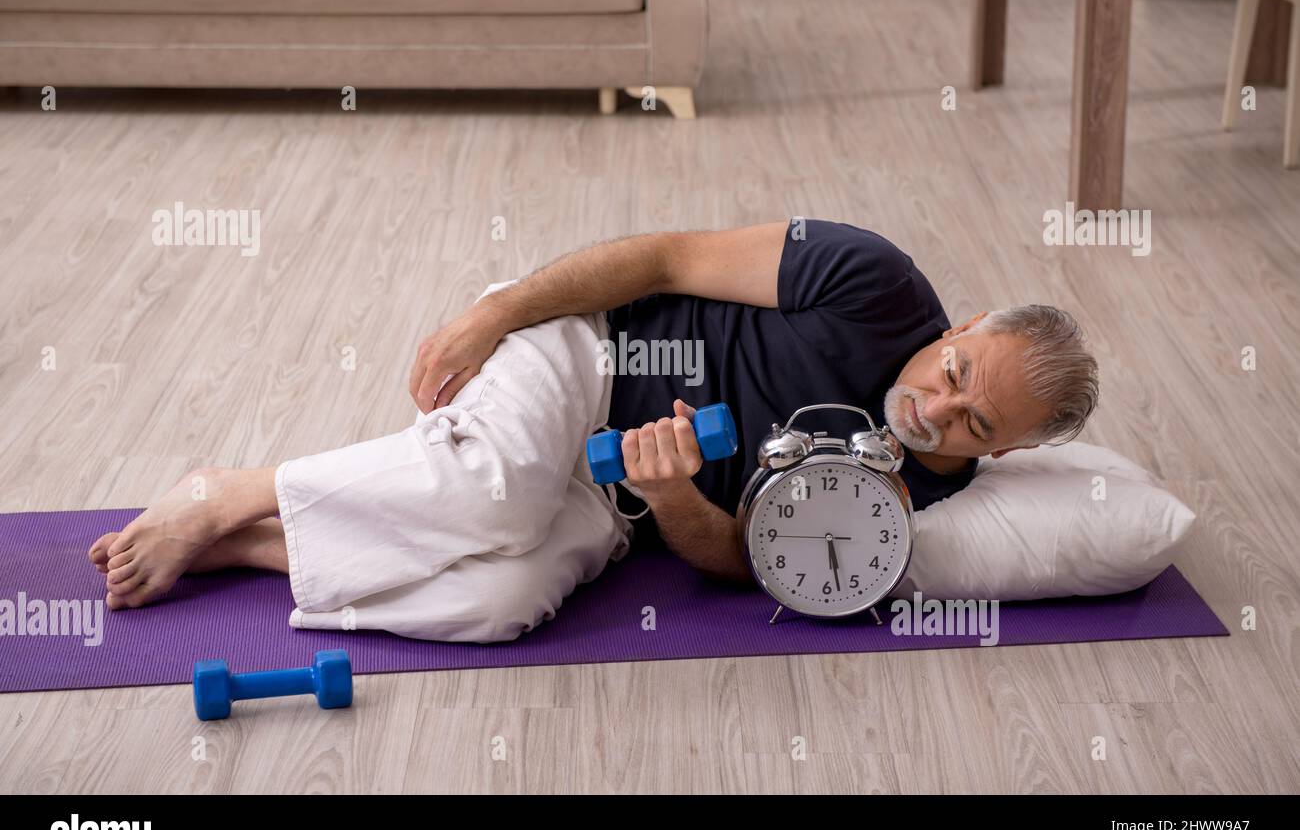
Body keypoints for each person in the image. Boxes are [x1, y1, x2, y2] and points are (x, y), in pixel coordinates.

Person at [87, 218, 1099, 641]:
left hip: (614, 506)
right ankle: (226, 490)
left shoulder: (917, 491)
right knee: (497, 492)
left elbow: (743, 564)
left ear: (998, 453)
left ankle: (248, 547)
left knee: (503, 598)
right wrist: (494, 316)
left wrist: (669, 497)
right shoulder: (871, 280)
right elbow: (660, 256)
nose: (937, 407)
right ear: (958, 326)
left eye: (972, 424)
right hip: (585, 353)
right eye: (954, 371)